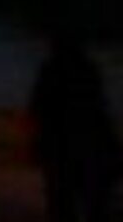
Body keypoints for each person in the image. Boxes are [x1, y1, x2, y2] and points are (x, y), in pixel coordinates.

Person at [29, 29, 119, 222]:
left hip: (65, 146)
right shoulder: (85, 70)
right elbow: (98, 109)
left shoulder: (53, 70)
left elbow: (38, 109)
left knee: (64, 202)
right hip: (82, 144)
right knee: (88, 202)